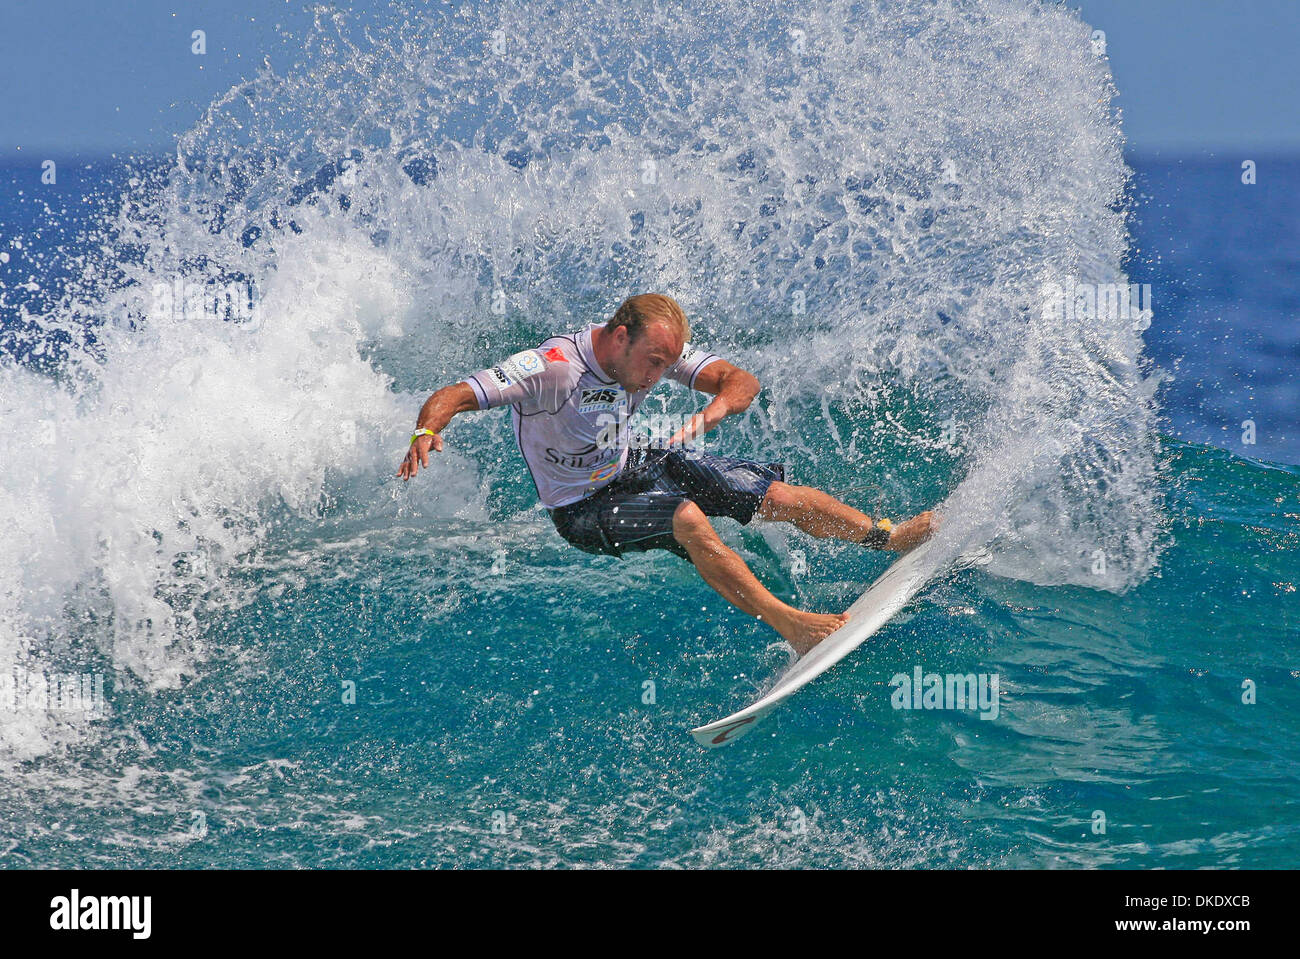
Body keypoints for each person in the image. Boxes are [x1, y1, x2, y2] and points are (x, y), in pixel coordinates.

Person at [398, 293, 938, 655]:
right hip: (581, 507)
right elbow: (453, 395)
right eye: (654, 362)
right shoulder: (551, 368)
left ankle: (888, 537)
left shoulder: (653, 348)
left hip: (629, 457)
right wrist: (426, 432)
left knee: (771, 493)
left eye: (667, 364)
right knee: (688, 519)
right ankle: (793, 627)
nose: (658, 376)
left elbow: (738, 379)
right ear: (618, 336)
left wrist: (715, 410)